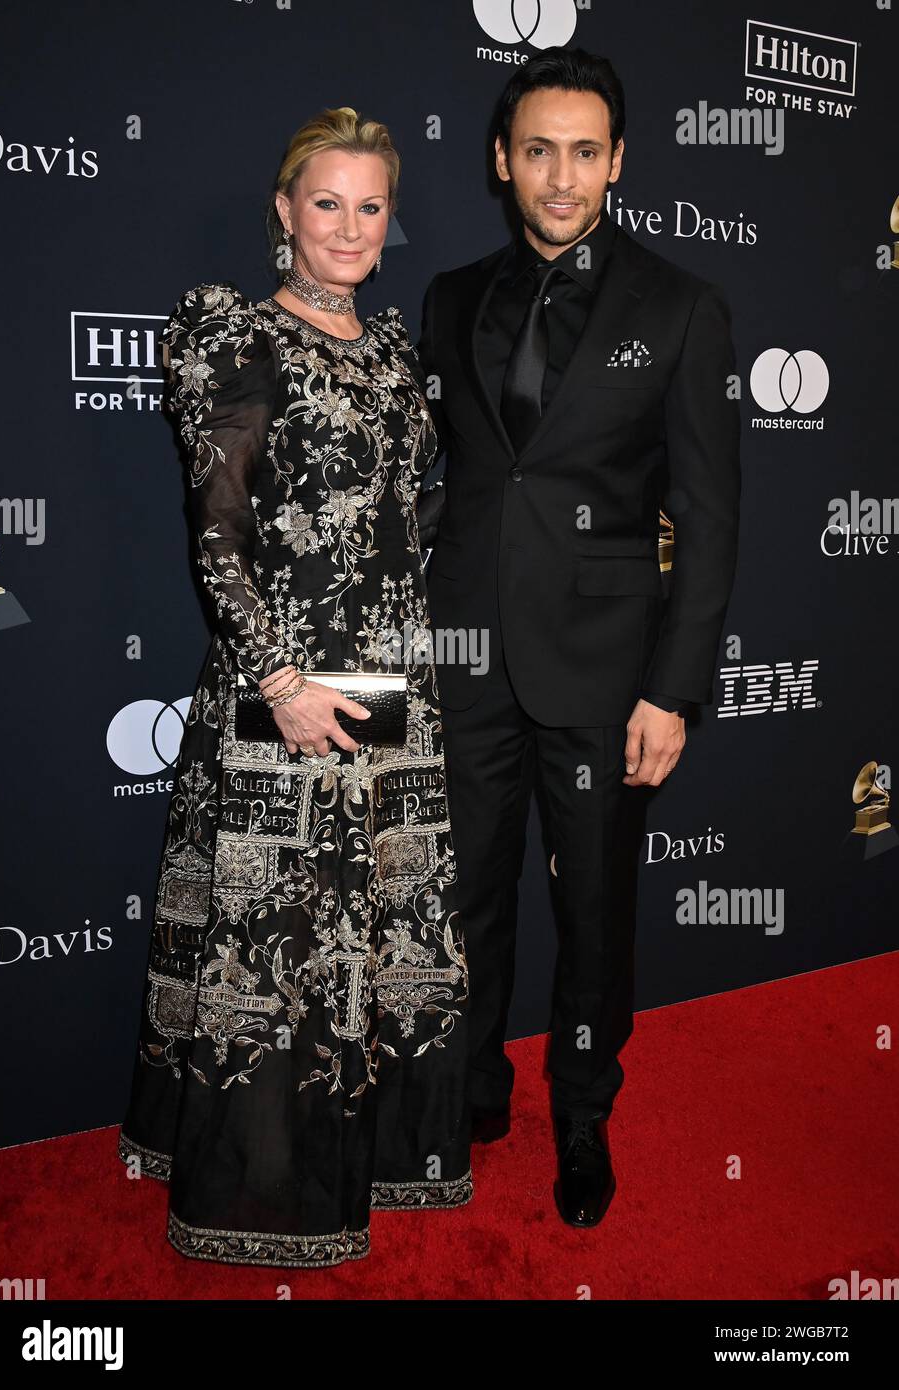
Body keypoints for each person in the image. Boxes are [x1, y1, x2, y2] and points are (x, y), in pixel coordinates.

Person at [119, 107, 471, 1268]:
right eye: (328, 203)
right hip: (284, 700)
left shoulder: (394, 356)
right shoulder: (234, 334)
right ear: (285, 211)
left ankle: (364, 1162)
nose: (351, 226)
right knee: (273, 955)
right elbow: (215, 532)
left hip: (388, 699)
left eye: (372, 206)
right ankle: (261, 1193)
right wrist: (278, 677)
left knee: (369, 942)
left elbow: (409, 531)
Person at [417, 49, 741, 1227]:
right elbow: (454, 483)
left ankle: (585, 1112)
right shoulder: (450, 296)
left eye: (586, 151)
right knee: (470, 898)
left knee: (597, 911)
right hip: (465, 663)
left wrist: (676, 691)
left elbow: (708, 519)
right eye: (539, 150)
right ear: (504, 162)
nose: (563, 177)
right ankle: (475, 1090)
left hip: (608, 673)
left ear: (620, 161)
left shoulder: (681, 305)